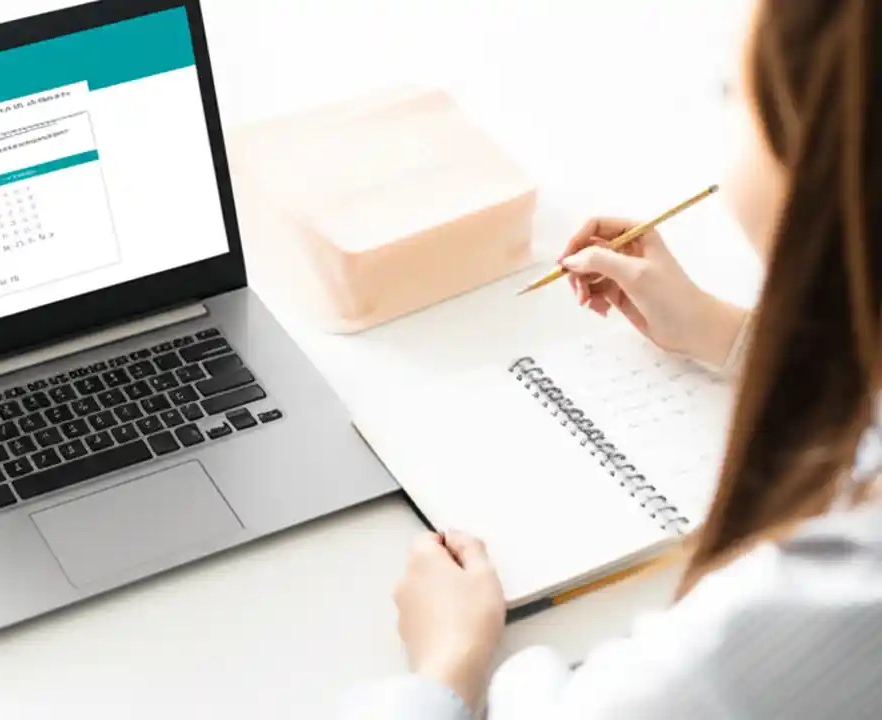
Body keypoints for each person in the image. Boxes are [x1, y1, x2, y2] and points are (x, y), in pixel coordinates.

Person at [347, 1, 882, 717]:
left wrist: (446, 665)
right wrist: (724, 333)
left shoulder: (783, 619)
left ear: (824, 147)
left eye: (735, 90)